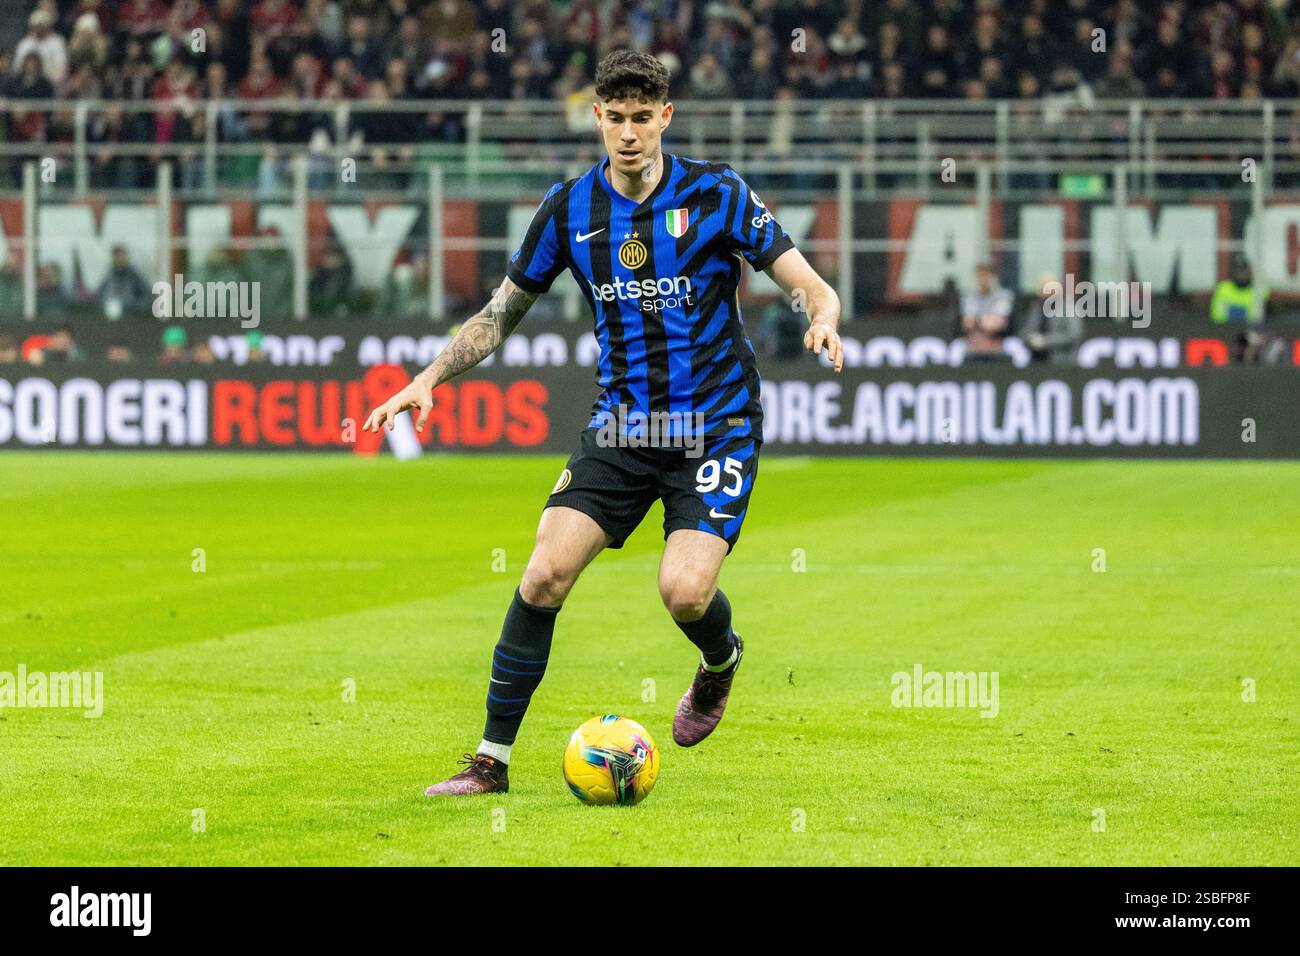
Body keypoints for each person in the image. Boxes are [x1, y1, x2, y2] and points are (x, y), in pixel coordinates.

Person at [363, 50, 843, 797]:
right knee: (544, 572)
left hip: (715, 425)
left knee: (684, 592)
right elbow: (498, 317)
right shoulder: (568, 210)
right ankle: (490, 762)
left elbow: (810, 284)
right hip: (623, 425)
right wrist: (425, 379)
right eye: (614, 118)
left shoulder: (716, 194)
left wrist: (823, 321)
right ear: (596, 117)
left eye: (642, 119)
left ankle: (719, 662)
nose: (628, 134)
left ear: (666, 118)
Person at [1020, 272, 1083, 364]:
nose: (1039, 291)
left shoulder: (1068, 308)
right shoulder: (1037, 307)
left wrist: (1046, 341)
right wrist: (1031, 339)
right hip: (1036, 361)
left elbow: (1074, 334)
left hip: (1062, 362)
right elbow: (1025, 331)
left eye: (1043, 288)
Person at [961, 262, 1014, 362]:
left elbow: (999, 324)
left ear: (992, 277)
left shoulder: (1003, 295)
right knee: (957, 349)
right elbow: (968, 323)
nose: (983, 280)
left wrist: (977, 321)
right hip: (974, 342)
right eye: (980, 276)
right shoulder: (969, 296)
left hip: (997, 341)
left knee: (1016, 348)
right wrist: (986, 320)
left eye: (986, 275)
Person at [1211, 255, 1268, 325]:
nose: (1241, 274)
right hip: (1225, 330)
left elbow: (1260, 318)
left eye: (1244, 269)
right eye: (1238, 269)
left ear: (1251, 271)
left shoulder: (1260, 290)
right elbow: (1217, 317)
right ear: (1231, 272)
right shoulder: (1222, 289)